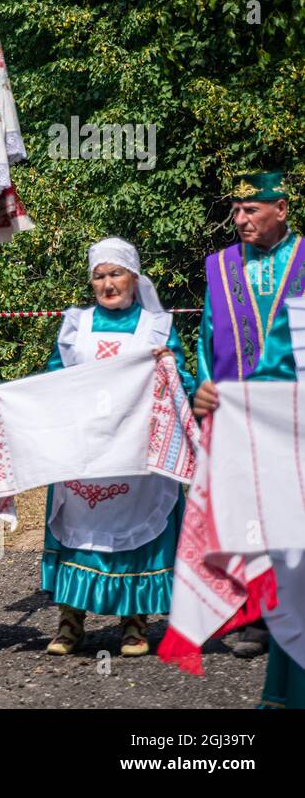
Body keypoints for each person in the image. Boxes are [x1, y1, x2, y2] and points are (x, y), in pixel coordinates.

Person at [39, 238, 194, 656]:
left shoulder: (157, 326)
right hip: (87, 450)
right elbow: (56, 378)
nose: (108, 284)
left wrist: (169, 367)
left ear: (134, 278)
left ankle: (134, 623)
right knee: (80, 530)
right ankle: (70, 623)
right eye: (99, 276)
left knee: (137, 527)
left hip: (137, 452)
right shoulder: (76, 324)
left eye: (116, 274)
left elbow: (184, 386)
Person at [191, 171, 305, 698]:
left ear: (280, 209)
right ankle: (251, 616)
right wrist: (203, 385)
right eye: (236, 211)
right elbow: (207, 333)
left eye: (250, 210)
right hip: (237, 416)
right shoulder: (220, 267)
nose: (240, 220)